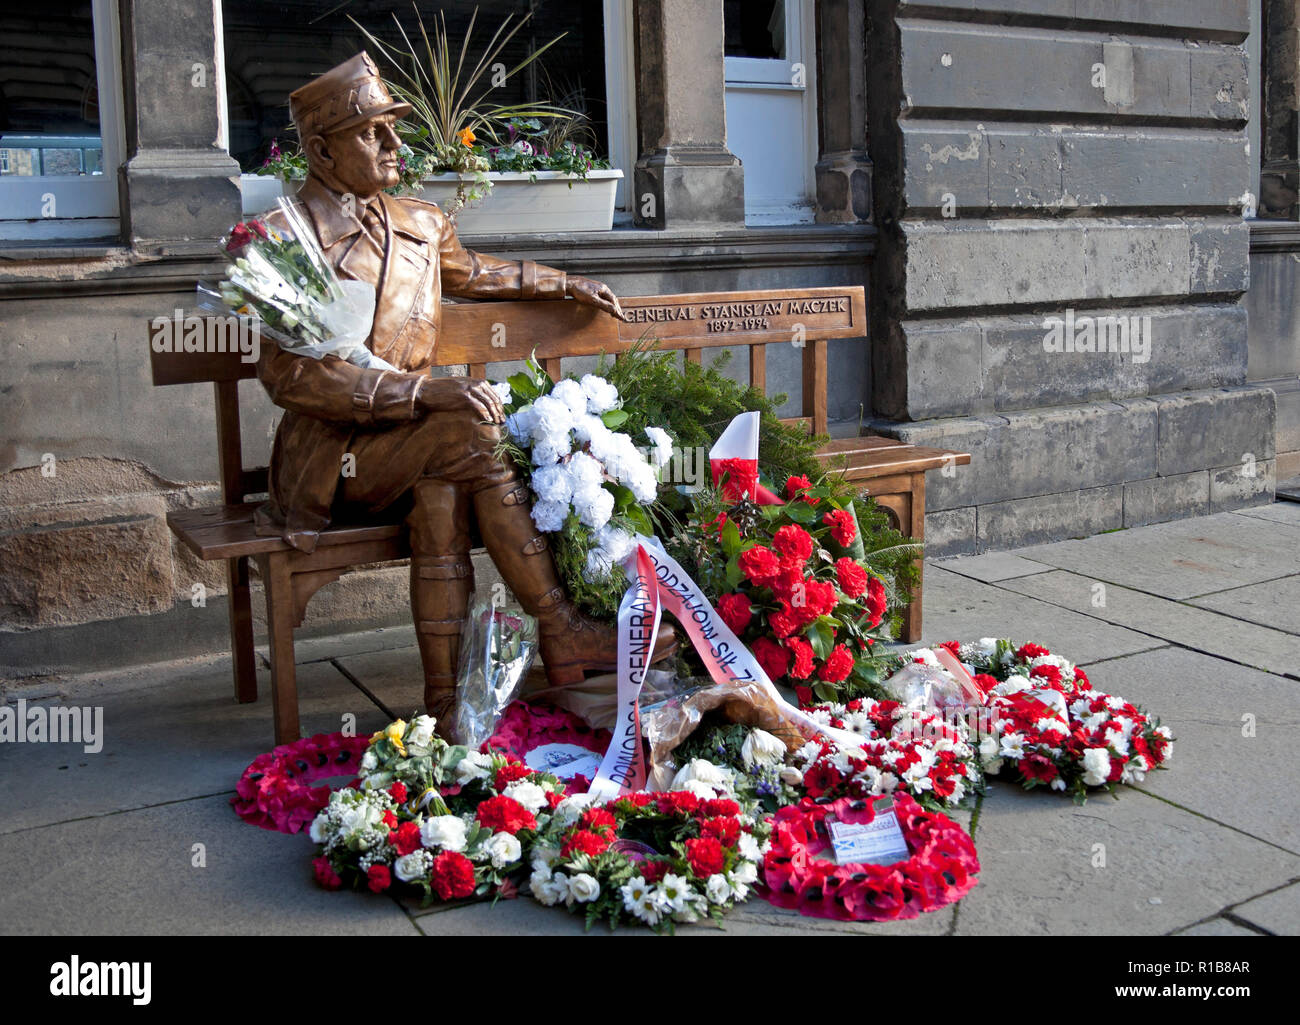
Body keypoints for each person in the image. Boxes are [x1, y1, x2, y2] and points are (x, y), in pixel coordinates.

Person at [252, 53, 675, 734]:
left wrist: (563, 283)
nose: (395, 146)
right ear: (321, 149)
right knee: (468, 429)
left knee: (443, 490)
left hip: (424, 450)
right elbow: (292, 376)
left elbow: (479, 274)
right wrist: (421, 393)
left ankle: (447, 704)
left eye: (393, 129)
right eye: (372, 133)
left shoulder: (420, 221)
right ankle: (560, 625)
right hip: (339, 459)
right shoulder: (283, 244)